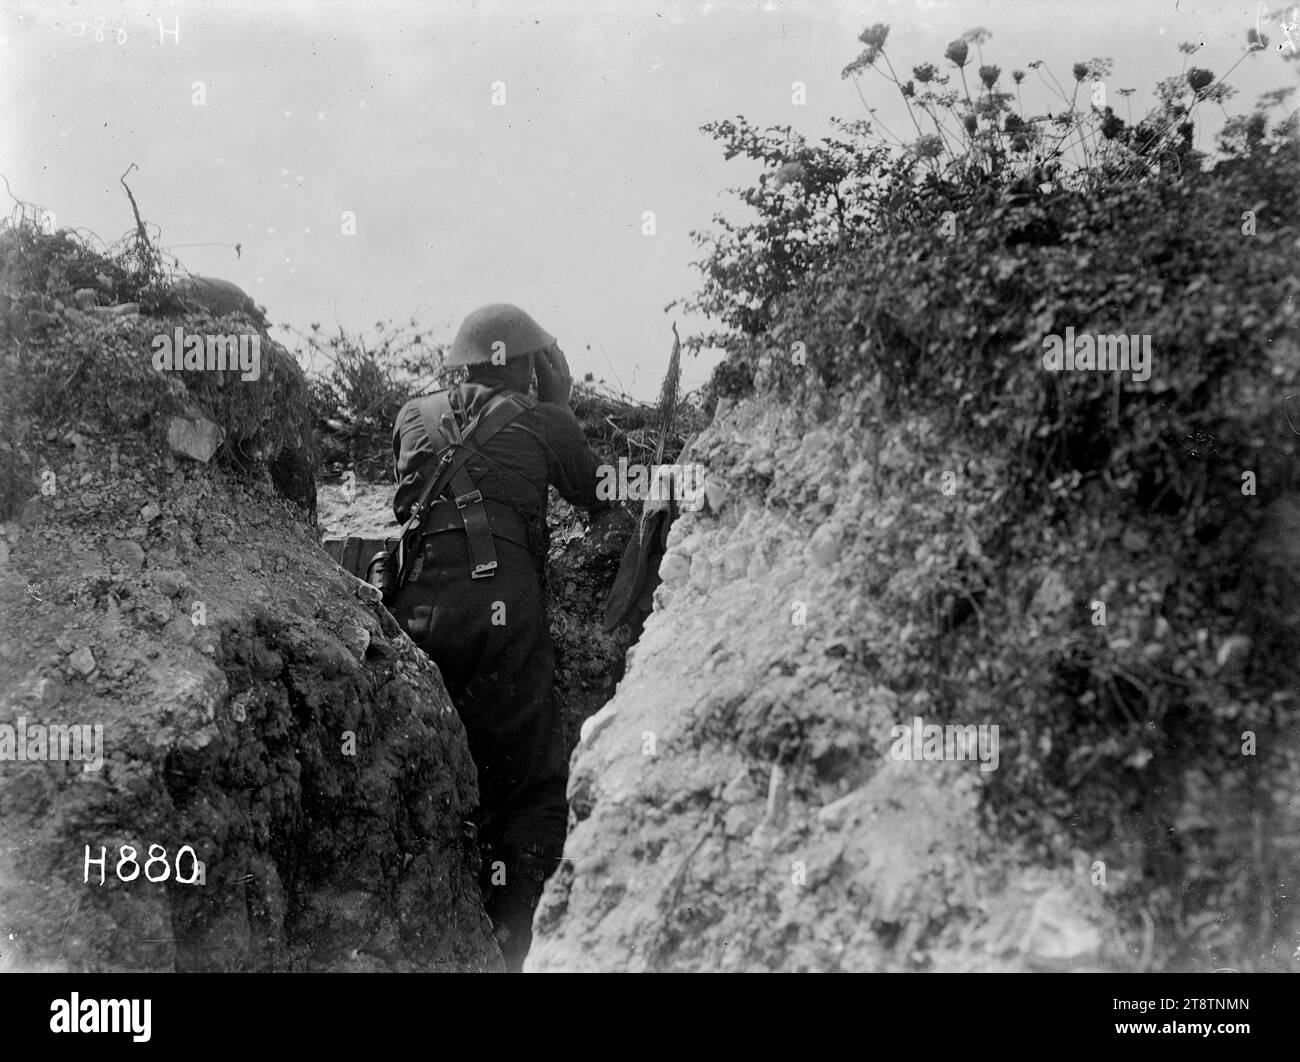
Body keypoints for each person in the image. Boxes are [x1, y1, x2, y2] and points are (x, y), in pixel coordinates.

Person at [386, 303, 604, 970]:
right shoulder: (545, 420)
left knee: (439, 770)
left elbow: (409, 498)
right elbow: (600, 500)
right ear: (530, 365)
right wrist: (559, 405)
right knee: (531, 786)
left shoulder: (412, 415)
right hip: (501, 613)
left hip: (417, 615)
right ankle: (514, 946)